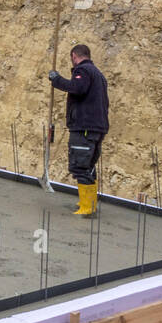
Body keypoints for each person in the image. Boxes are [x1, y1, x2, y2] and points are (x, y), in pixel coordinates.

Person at [48, 44, 109, 217]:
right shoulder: (98, 74)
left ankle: (87, 208)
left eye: (71, 59)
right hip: (97, 128)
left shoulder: (83, 70)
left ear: (74, 56)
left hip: (85, 127)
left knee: (80, 166)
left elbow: (77, 88)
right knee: (88, 166)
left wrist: (56, 80)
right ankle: (88, 202)